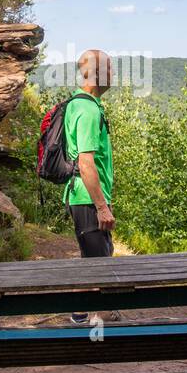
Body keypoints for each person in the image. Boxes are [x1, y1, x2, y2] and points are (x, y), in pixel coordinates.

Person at [64, 48, 115, 323]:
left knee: (92, 258)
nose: (113, 74)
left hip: (83, 196)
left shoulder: (81, 104)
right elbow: (86, 163)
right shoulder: (87, 109)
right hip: (86, 198)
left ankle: (81, 314)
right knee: (102, 265)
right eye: (109, 68)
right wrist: (102, 207)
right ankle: (102, 323)